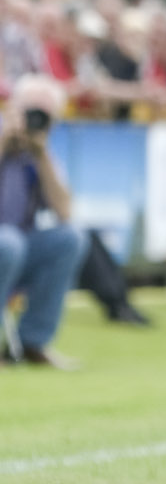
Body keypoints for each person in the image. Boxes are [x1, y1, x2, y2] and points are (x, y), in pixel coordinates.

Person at [0, 75, 90, 367]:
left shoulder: (39, 154)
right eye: (29, 111)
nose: (33, 120)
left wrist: (42, 155)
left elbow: (64, 211)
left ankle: (32, 342)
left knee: (70, 238)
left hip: (16, 250)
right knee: (8, 243)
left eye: (43, 115)